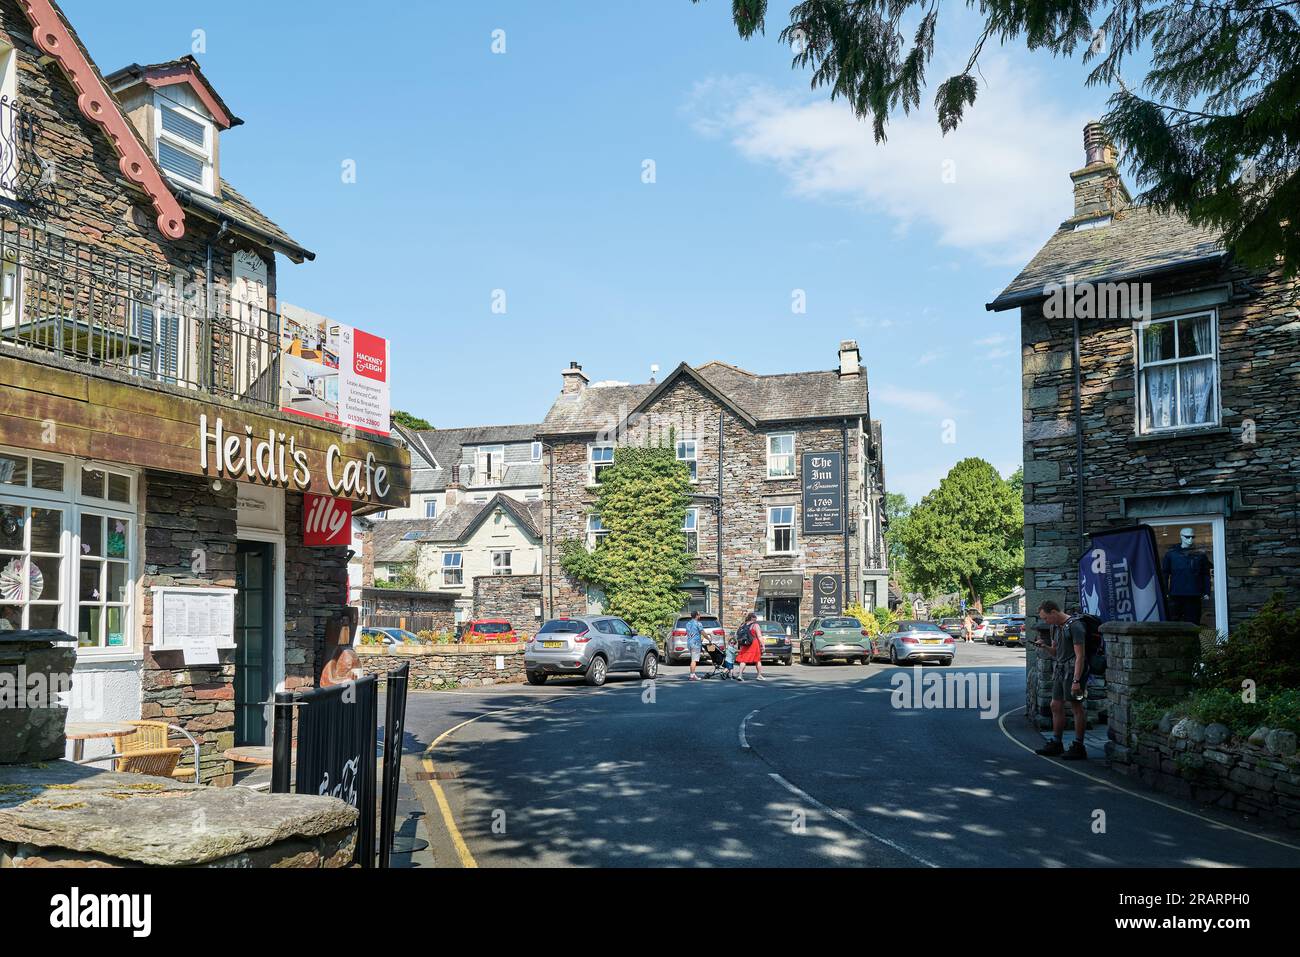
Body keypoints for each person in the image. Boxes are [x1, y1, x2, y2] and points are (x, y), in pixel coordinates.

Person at [1033, 600, 1089, 760]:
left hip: (1073, 671)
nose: (1045, 621)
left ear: (1054, 613)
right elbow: (1056, 652)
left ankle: (1079, 746)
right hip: (1060, 669)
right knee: (1055, 704)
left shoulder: (1075, 626)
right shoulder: (1055, 627)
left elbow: (1080, 656)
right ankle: (1057, 743)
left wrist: (1077, 680)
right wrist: (1044, 646)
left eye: (1046, 618)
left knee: (1076, 706)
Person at [734, 612, 765, 682]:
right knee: (757, 660)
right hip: (754, 644)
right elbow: (759, 636)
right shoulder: (755, 625)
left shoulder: (743, 625)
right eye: (755, 617)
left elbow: (737, 634)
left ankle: (740, 675)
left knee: (743, 660)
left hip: (745, 644)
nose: (756, 619)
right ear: (752, 618)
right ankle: (759, 675)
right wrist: (763, 645)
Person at [685, 610, 704, 681]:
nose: (700, 616)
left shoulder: (688, 623)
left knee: (693, 659)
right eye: (699, 615)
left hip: (689, 643)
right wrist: (708, 638)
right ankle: (692, 675)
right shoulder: (698, 624)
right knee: (694, 660)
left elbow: (689, 633)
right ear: (696, 616)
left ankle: (692, 674)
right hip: (695, 644)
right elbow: (702, 632)